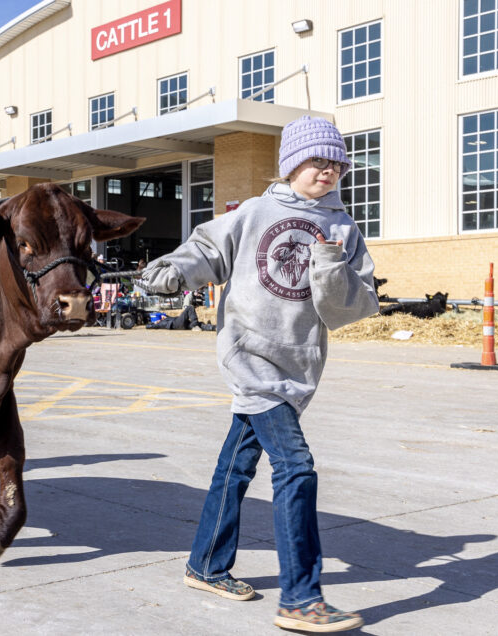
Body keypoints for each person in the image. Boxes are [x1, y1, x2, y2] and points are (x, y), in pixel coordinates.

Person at [142, 116, 378, 633]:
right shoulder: (256, 212)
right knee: (296, 466)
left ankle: (206, 565)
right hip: (249, 356)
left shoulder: (343, 228)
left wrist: (331, 268)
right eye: (319, 161)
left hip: (299, 364)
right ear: (293, 164)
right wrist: (174, 272)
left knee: (237, 464)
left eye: (337, 163)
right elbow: (207, 251)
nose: (329, 171)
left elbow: (352, 306)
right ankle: (300, 598)